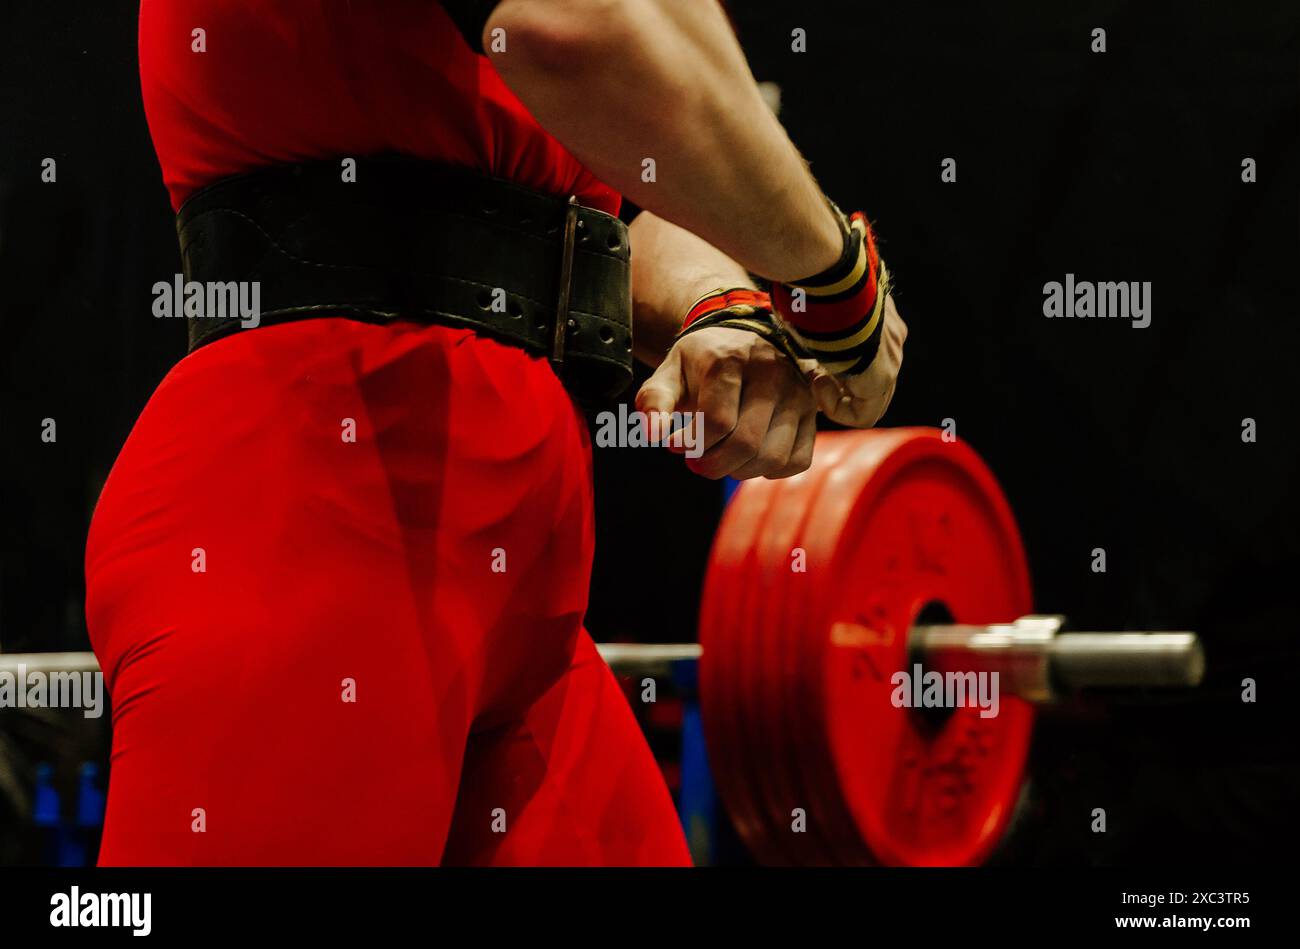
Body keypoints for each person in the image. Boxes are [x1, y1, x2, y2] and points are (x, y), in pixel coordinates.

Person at [86, 0, 906, 865]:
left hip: (523, 596)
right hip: (311, 517)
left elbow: (621, 198)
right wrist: (836, 279)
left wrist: (722, 305)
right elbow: (572, 36)